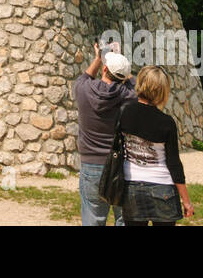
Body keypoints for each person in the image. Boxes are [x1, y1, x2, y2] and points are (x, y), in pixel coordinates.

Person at [119, 65, 194, 226]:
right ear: (162, 90)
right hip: (162, 186)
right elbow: (174, 164)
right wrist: (186, 200)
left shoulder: (125, 113)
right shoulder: (166, 122)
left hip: (131, 184)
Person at [72, 41, 137, 226]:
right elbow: (137, 87)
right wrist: (123, 66)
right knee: (124, 219)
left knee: (93, 219)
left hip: (91, 165)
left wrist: (98, 58)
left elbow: (84, 77)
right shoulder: (127, 96)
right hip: (120, 164)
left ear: (104, 69)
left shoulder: (83, 90)